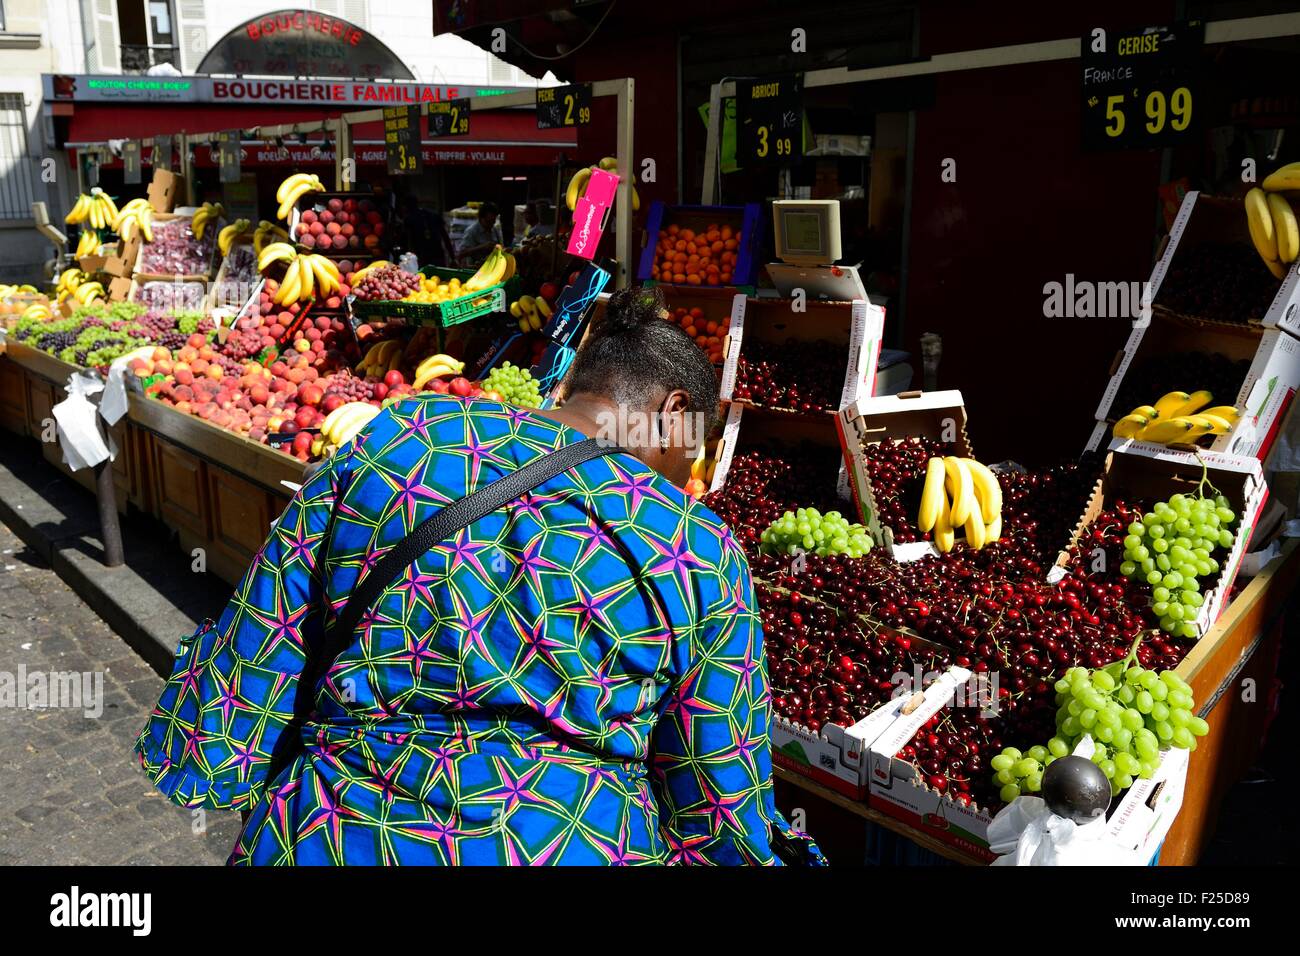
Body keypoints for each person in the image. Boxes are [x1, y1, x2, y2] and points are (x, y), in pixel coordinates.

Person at [135, 285, 823, 866]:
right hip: (564, 841)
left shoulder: (399, 441)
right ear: (676, 414)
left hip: (336, 831)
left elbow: (264, 634)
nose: (689, 476)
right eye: (691, 453)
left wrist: (220, 760)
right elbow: (716, 793)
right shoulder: (695, 544)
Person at [399, 193, 454, 269]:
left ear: (405, 206)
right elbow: (445, 237)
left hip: (422, 259)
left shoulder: (409, 219)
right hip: (438, 256)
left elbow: (409, 242)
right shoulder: (434, 215)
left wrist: (409, 261)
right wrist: (453, 257)